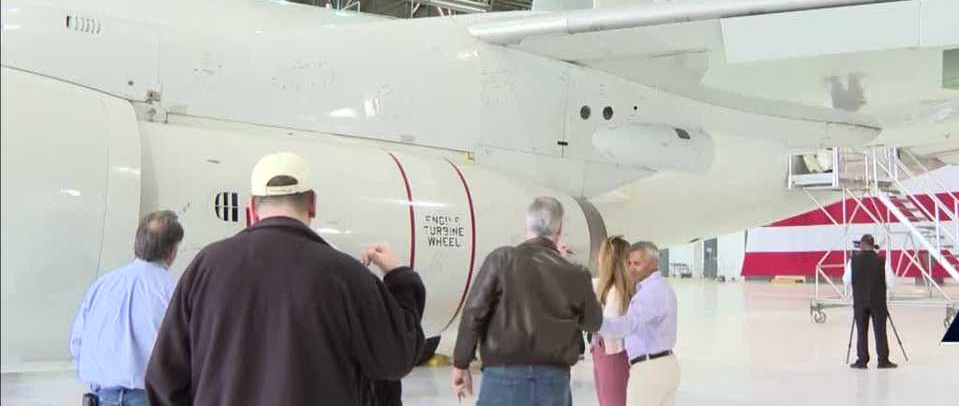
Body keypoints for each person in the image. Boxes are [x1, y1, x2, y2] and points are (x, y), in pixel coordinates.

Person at [145, 152, 426, 406]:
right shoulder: (346, 274)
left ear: (252, 208)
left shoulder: (205, 267)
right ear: (312, 204)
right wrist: (400, 279)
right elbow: (396, 359)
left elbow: (165, 378)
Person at [451, 197, 601, 406]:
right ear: (559, 230)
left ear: (527, 225)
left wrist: (461, 363)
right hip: (554, 381)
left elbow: (474, 312)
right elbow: (593, 323)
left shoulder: (501, 260)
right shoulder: (575, 273)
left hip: (503, 377)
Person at [70, 210, 184, 406]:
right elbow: (186, 351)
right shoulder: (173, 290)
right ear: (171, 252)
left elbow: (77, 344)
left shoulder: (102, 285)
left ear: (137, 245)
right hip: (150, 397)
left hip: (102, 397)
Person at [598, 241, 679, 406]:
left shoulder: (651, 292)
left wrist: (594, 323)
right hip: (665, 366)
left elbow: (627, 325)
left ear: (653, 264)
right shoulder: (660, 287)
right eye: (629, 263)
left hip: (649, 371)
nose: (631, 268)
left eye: (637, 264)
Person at [842, 234, 897, 369]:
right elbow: (891, 283)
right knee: (880, 331)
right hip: (878, 301)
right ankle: (883, 360)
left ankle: (862, 360)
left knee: (861, 331)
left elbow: (846, 280)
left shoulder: (853, 260)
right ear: (873, 245)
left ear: (861, 244)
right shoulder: (882, 260)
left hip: (860, 302)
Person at [593, 236, 635, 406]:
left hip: (611, 356)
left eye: (600, 256)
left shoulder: (615, 293)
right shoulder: (611, 288)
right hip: (605, 354)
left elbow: (611, 331)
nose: (597, 261)